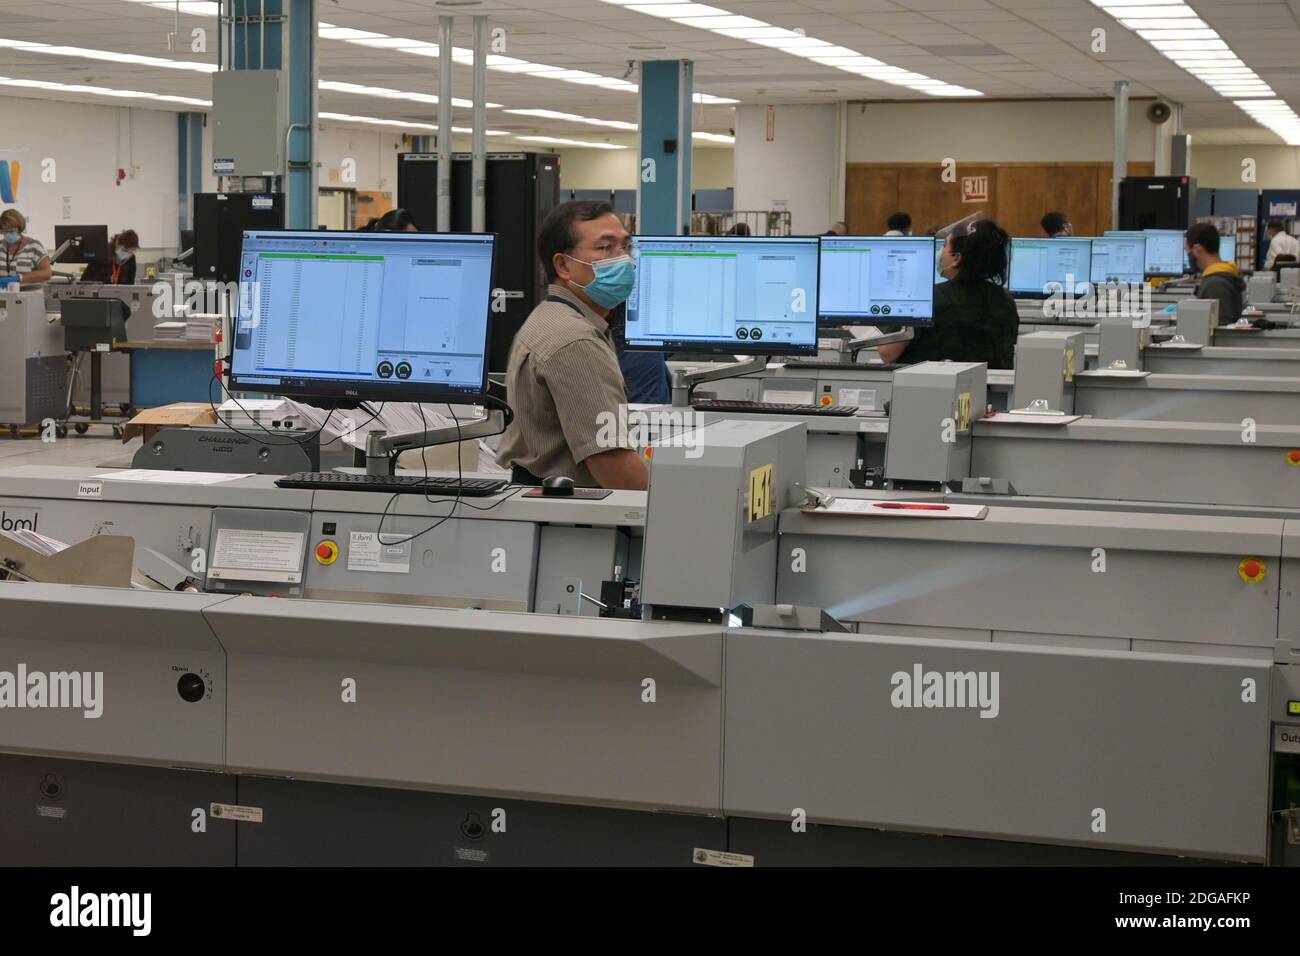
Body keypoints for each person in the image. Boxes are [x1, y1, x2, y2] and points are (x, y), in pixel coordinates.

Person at [497, 199, 649, 490]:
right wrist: (677, 510)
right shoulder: (575, 340)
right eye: (606, 248)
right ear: (563, 265)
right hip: (576, 516)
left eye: (626, 246)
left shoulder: (551, 317)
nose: (623, 259)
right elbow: (612, 465)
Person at [878, 219, 1018, 369]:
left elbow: (887, 352)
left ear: (956, 258)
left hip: (929, 386)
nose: (940, 252)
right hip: (989, 389)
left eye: (944, 245)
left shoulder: (926, 298)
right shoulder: (1006, 300)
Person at [1186, 221, 1244, 323]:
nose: (1189, 256)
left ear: (1197, 249)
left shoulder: (1215, 285)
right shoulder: (1224, 275)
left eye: (1188, 252)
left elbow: (1220, 333)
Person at [0, 208, 51, 285]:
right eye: (4, 231)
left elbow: (46, 273)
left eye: (11, 231)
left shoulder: (35, 247)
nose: (7, 234)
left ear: (20, 228)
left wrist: (19, 278)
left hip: (29, 294)